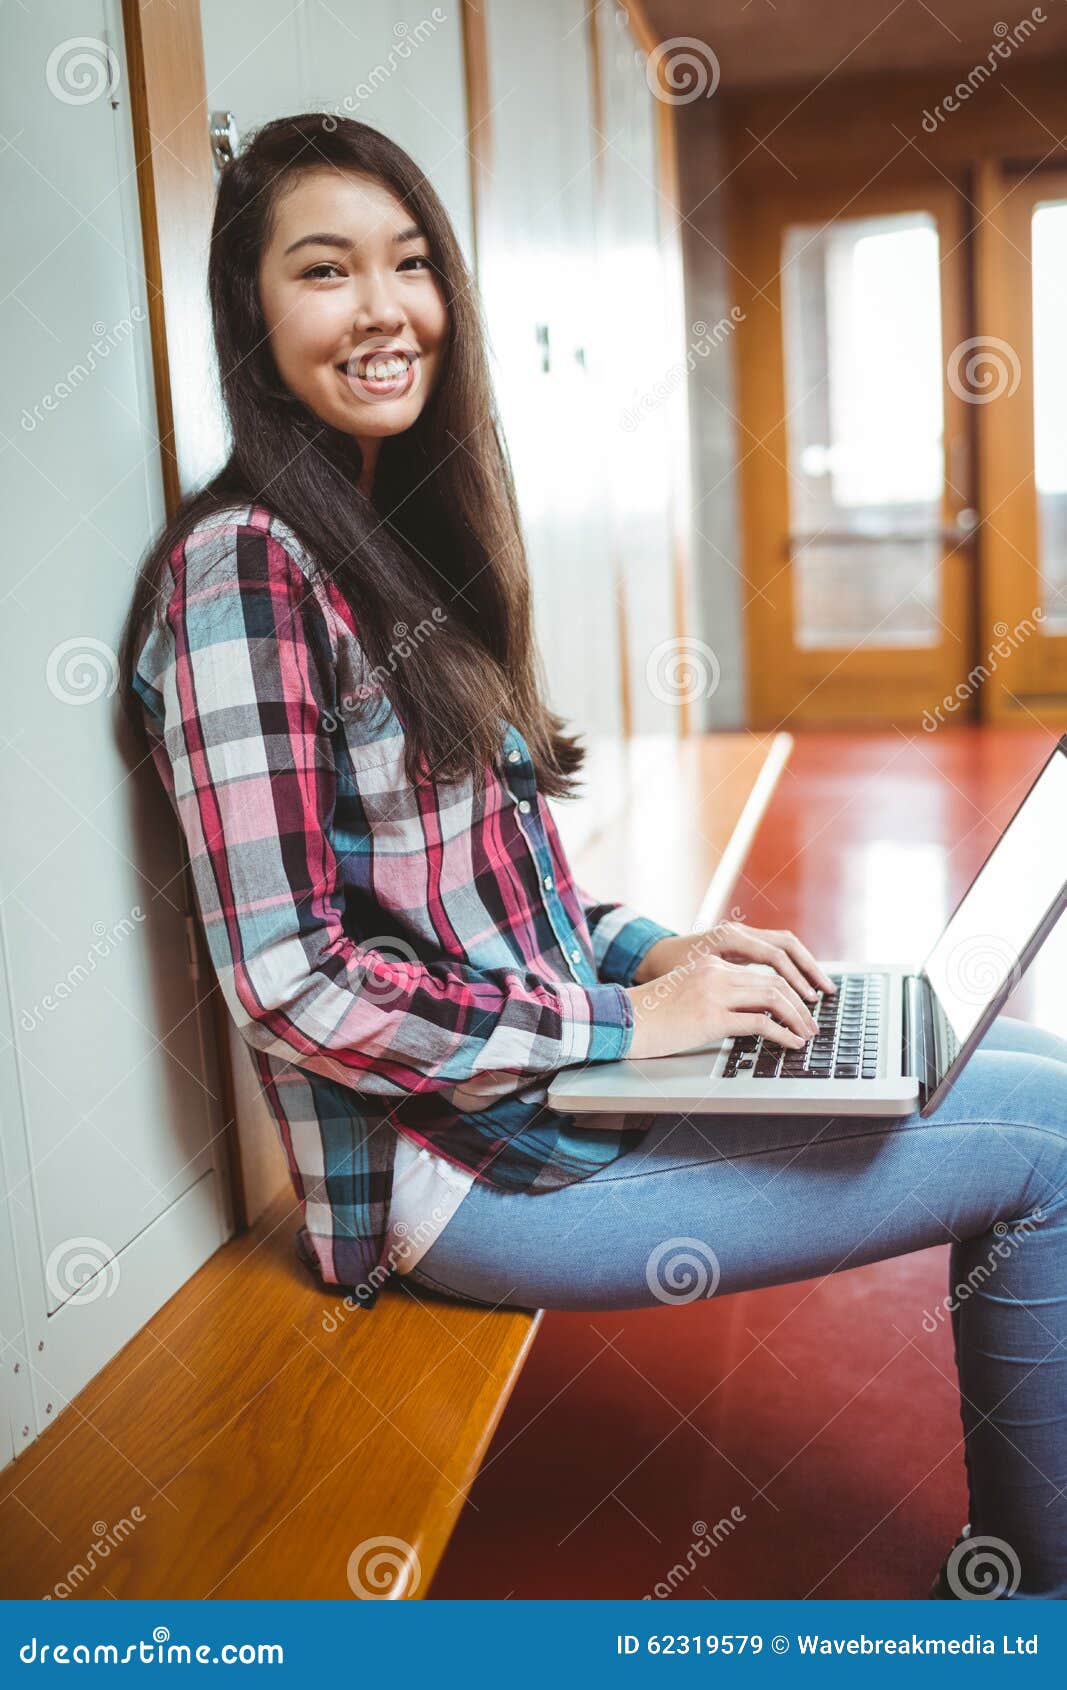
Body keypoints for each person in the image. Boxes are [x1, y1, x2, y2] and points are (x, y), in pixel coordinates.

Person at [117, 114, 1067, 1600]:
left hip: (555, 1090)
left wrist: (664, 958)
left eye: (412, 261)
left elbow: (502, 903)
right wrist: (636, 1025)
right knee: (1053, 1154)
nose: (384, 307)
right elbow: (292, 980)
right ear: (251, 314)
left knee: (1040, 1070)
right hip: (468, 1176)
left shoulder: (394, 540)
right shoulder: (241, 570)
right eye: (325, 270)